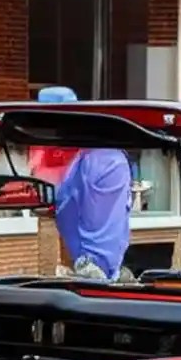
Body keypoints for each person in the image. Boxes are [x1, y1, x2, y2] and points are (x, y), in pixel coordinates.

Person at [39, 86, 134, 280]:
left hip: (91, 269)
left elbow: (68, 205)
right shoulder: (94, 157)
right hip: (100, 269)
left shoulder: (99, 160)